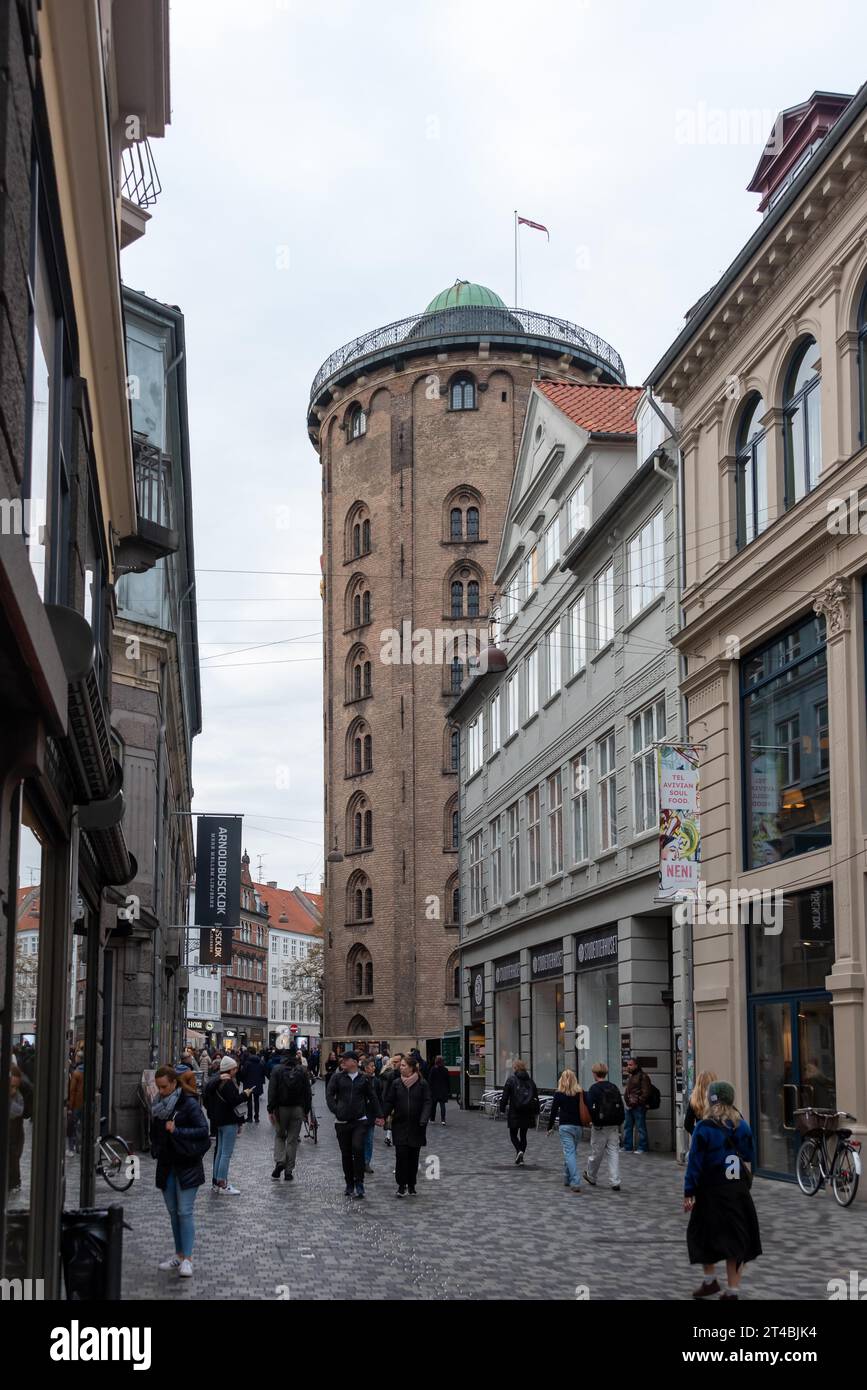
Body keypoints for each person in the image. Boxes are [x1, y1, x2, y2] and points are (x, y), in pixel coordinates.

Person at [684, 1080, 761, 1301]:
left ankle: (710, 1280)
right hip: (737, 1191)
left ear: (711, 1099)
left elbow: (695, 1164)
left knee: (701, 1234)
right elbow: (748, 1155)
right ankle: (733, 1291)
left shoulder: (704, 1127)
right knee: (736, 1240)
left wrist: (689, 1192)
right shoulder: (742, 1125)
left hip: (711, 1189)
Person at [151, 1065, 210, 1278]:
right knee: (173, 1213)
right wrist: (156, 1148)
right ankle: (178, 1254)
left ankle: (188, 1258)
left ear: (174, 1084)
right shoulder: (157, 1105)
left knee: (185, 1212)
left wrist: (177, 1131)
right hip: (166, 1166)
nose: (161, 1091)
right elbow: (155, 1133)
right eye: (158, 1087)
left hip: (187, 1165)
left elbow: (204, 1131)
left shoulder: (188, 1104)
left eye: (164, 1087)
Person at [325, 1051, 382, 1199]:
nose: (342, 1062)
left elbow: (372, 1097)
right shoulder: (337, 1077)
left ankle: (359, 1182)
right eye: (342, 1060)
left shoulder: (363, 1079)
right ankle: (349, 1183)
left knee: (357, 1149)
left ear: (355, 1062)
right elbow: (329, 1094)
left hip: (359, 1121)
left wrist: (380, 1115)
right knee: (346, 1154)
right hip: (342, 1122)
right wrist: (336, 1109)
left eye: (346, 1059)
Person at [384, 1056, 432, 1196]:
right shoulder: (396, 1084)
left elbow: (428, 1102)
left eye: (404, 1065)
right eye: (401, 1065)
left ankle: (412, 1184)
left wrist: (424, 1119)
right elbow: (389, 1101)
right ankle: (401, 1185)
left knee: (413, 1156)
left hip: (417, 1126)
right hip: (400, 1124)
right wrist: (382, 1116)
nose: (401, 1067)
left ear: (411, 1068)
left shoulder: (422, 1084)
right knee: (401, 1155)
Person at [204, 1056, 251, 1195]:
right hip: (229, 1121)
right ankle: (222, 1183)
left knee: (219, 1152)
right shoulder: (228, 1083)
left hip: (218, 1121)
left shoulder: (216, 1082)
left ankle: (216, 1182)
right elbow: (234, 1101)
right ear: (230, 1069)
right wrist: (245, 1094)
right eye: (235, 1068)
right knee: (226, 1153)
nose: (236, 1070)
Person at [268, 1049, 312, 1181]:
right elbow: (307, 1092)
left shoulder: (277, 1070)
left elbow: (272, 1090)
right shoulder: (302, 1071)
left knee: (280, 1136)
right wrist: (306, 1110)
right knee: (292, 1140)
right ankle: (288, 1171)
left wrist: (270, 1109)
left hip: (281, 1109)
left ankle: (280, 1161)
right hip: (298, 1108)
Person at [582, 1062, 625, 1192]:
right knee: (613, 1152)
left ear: (594, 1074)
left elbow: (590, 1106)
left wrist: (592, 1120)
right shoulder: (613, 1087)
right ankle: (615, 1180)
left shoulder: (594, 1089)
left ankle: (591, 1175)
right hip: (613, 1125)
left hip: (599, 1125)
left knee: (597, 1153)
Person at [546, 1069, 585, 1192]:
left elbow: (553, 1112)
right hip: (578, 1127)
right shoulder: (580, 1093)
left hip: (565, 1127)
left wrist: (550, 1127)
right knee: (571, 1152)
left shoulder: (559, 1094)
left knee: (569, 1153)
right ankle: (567, 1177)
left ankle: (575, 1181)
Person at [499, 1059, 539, 1165]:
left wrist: (502, 1108)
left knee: (513, 1134)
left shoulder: (511, 1080)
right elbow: (535, 1097)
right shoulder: (531, 1081)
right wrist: (537, 1111)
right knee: (523, 1135)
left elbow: (505, 1096)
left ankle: (519, 1151)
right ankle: (520, 1156)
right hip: (527, 1112)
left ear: (515, 1068)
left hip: (515, 1111)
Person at [623, 1058, 651, 1154]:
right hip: (629, 1105)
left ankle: (643, 1147)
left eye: (630, 1065)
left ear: (636, 1065)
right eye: (628, 1065)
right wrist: (628, 1101)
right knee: (627, 1127)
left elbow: (646, 1092)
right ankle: (627, 1147)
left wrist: (638, 1102)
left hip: (638, 1106)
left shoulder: (643, 1076)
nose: (628, 1067)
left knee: (640, 1127)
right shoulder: (631, 1076)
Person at [684, 1070, 718, 1139]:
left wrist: (697, 1134)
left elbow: (687, 1124)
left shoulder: (695, 1100)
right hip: (717, 1138)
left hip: (702, 1140)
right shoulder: (719, 1098)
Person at [378, 1053, 402, 1146]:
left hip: (399, 1103)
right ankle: (389, 1137)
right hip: (392, 1101)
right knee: (391, 1119)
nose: (395, 1063)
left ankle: (389, 1136)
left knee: (392, 1120)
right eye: (394, 1062)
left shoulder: (385, 1072)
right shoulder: (391, 1074)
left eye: (397, 1062)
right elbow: (386, 1088)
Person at [8, 1066, 25, 1193]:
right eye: (12, 1085)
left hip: (16, 1133)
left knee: (14, 1157)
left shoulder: (19, 1096)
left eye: (15, 1086)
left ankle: (15, 1182)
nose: (14, 1088)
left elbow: (19, 1111)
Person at [240, 1048, 267, 1124]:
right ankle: (257, 1117)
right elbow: (263, 1073)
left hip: (248, 1084)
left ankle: (249, 1117)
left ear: (250, 1053)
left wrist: (243, 1080)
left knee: (249, 1101)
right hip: (257, 1084)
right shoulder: (261, 1062)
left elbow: (243, 1073)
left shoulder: (247, 1063)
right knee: (256, 1101)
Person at [362, 1057, 379, 1173]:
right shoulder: (361, 1079)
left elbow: (379, 1098)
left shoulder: (376, 1081)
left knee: (369, 1140)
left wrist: (380, 1114)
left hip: (371, 1114)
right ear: (365, 1067)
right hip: (360, 1114)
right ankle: (358, 1161)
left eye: (374, 1066)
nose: (374, 1068)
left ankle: (366, 1162)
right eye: (371, 1066)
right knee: (359, 1140)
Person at [67, 1053, 85, 1154]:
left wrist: (70, 1106)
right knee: (82, 1126)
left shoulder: (76, 1073)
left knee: (72, 1125)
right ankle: (80, 1146)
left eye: (76, 1057)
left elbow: (72, 1091)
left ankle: (72, 1147)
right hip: (84, 1103)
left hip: (77, 1103)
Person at [427, 1055, 451, 1125]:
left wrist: (429, 1089)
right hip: (443, 1091)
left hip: (434, 1091)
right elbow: (448, 1081)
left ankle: (432, 1119)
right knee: (442, 1106)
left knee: (433, 1106)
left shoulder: (433, 1069)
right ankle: (443, 1120)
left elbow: (430, 1080)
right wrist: (448, 1090)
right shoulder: (445, 1070)